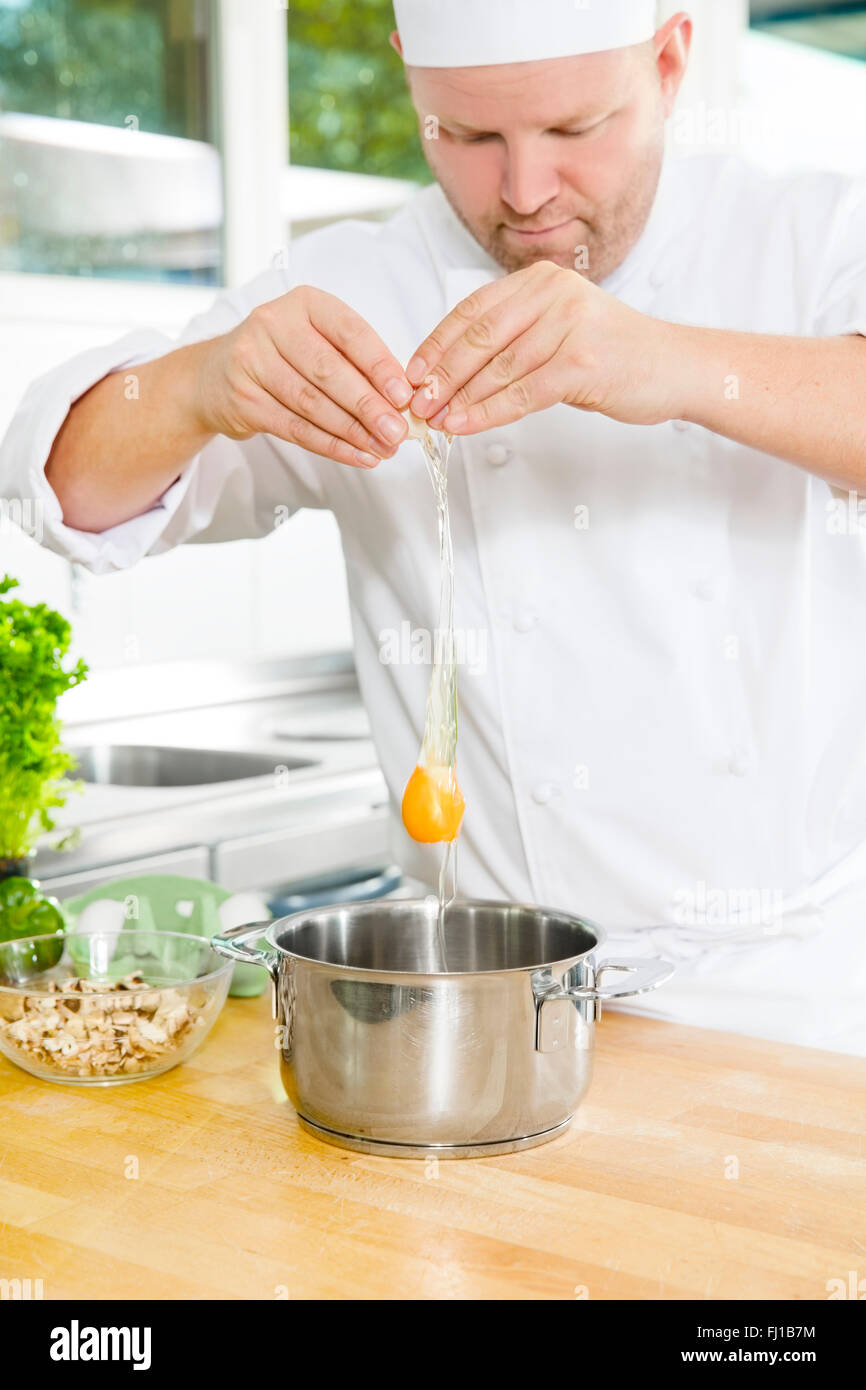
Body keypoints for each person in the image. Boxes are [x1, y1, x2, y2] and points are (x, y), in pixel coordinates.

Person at [2, 1, 866, 1054]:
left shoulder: (806, 234)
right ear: (410, 76)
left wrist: (669, 364)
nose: (524, 190)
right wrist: (198, 385)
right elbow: (62, 489)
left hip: (790, 1005)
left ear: (670, 60)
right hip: (489, 996)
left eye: (574, 130)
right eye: (466, 136)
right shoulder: (356, 288)